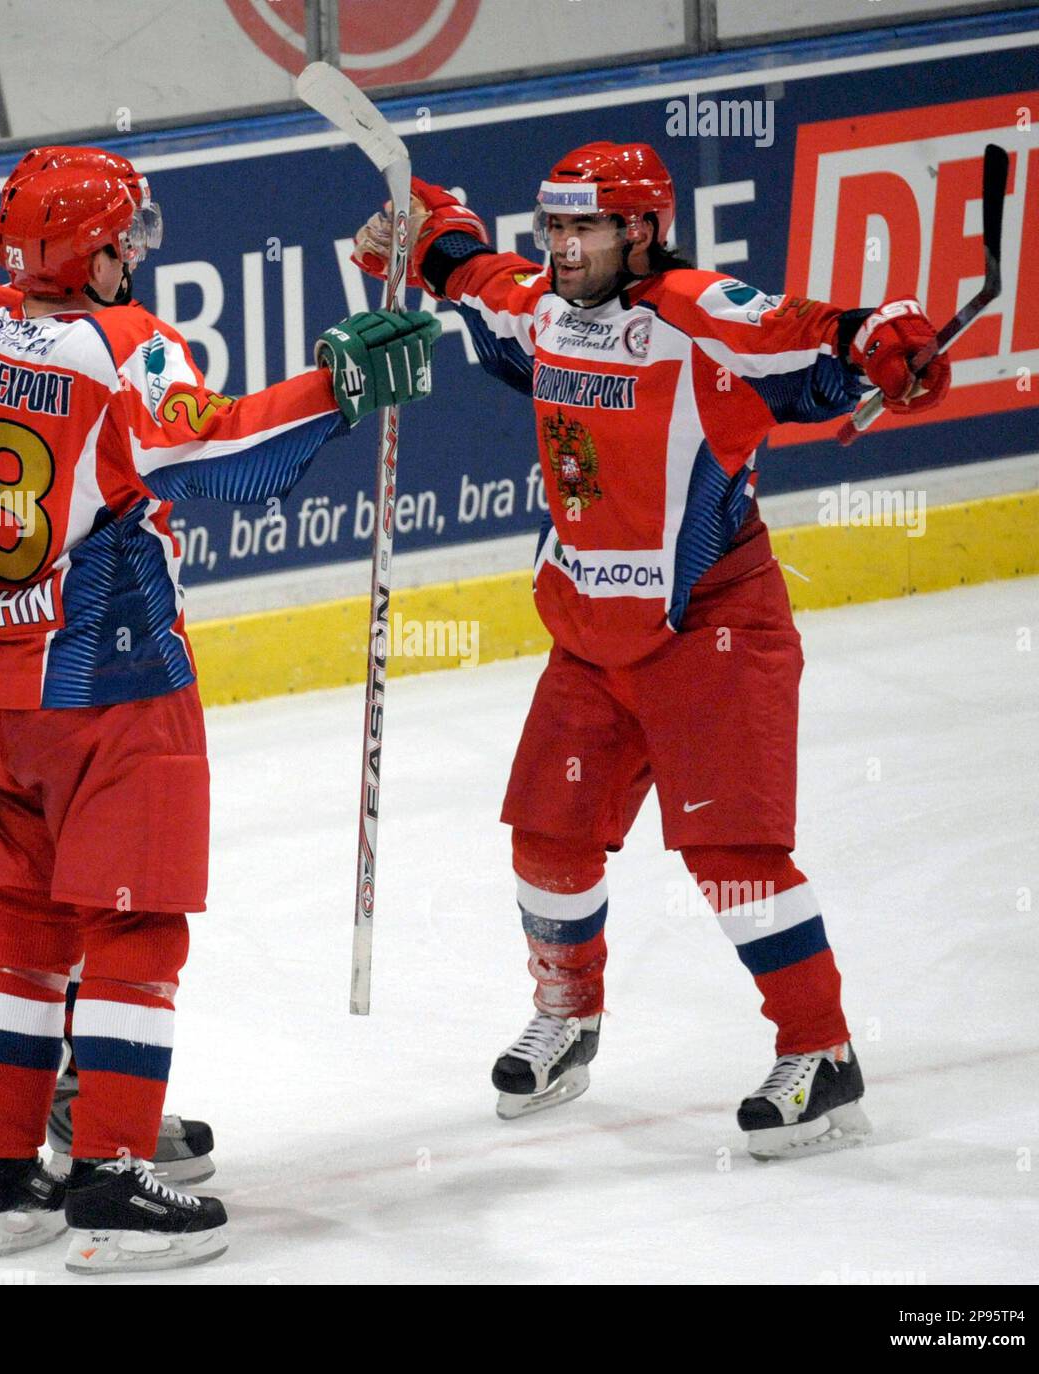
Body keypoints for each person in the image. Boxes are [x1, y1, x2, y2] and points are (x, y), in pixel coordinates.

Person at [0, 145, 438, 1271]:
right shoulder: (123, 348)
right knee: (116, 921)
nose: (136, 254)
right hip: (93, 676)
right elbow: (215, 453)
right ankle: (92, 1169)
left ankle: (4, 1167)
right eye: (123, 238)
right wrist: (336, 390)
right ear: (86, 251)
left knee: (18, 917)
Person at [350, 141, 949, 1158]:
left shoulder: (701, 312)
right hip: (588, 634)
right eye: (553, 227)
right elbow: (459, 261)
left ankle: (822, 1051)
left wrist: (883, 339)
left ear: (639, 230)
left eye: (582, 228)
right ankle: (570, 1017)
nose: (562, 247)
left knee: (731, 854)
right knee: (546, 837)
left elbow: (814, 332)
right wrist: (411, 215)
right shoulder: (539, 305)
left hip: (710, 626)